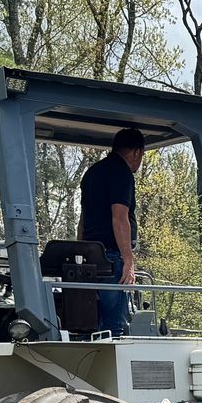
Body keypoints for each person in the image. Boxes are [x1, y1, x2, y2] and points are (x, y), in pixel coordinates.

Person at [43, 127, 145, 335]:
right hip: (110, 258)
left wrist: (80, 250)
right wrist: (128, 261)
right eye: (141, 156)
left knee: (89, 317)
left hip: (88, 257)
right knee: (114, 323)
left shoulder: (92, 173)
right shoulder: (122, 172)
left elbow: (83, 220)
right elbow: (119, 217)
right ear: (136, 153)